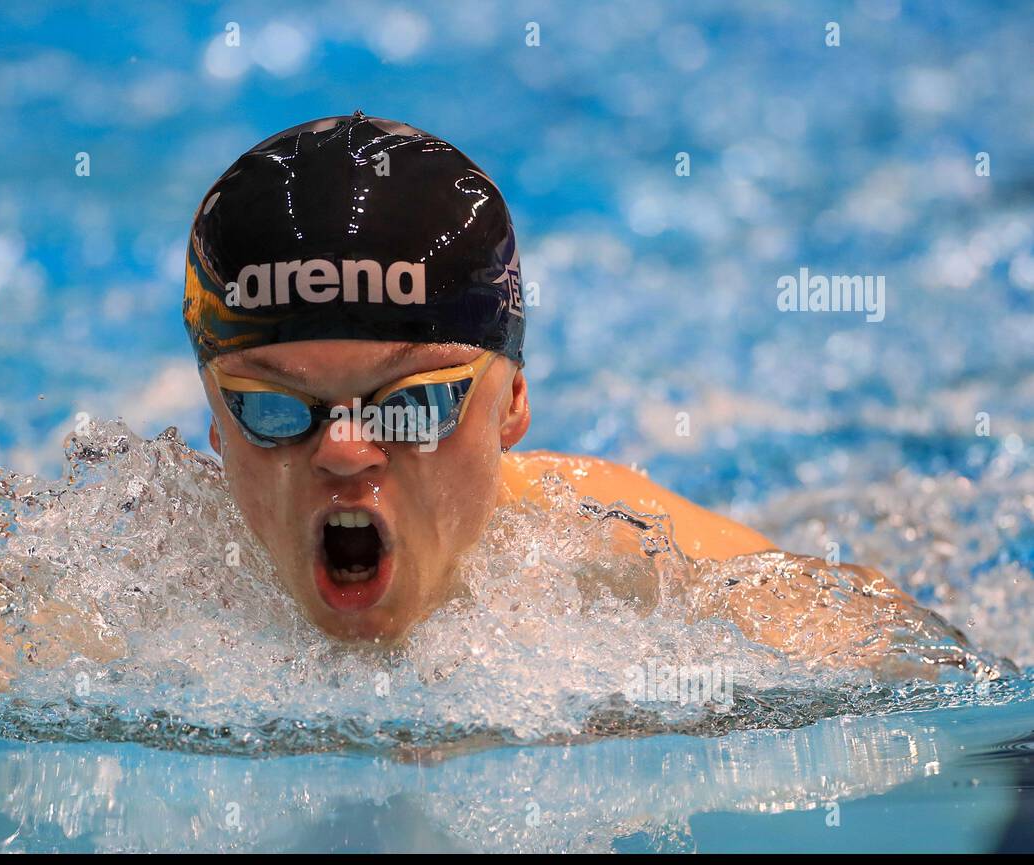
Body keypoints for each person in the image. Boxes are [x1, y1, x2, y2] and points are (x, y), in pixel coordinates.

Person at [185, 112, 777, 644]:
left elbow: (862, 641)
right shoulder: (146, 589)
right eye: (272, 408)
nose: (344, 451)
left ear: (512, 402)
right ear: (217, 423)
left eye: (413, 403)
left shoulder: (644, 567)